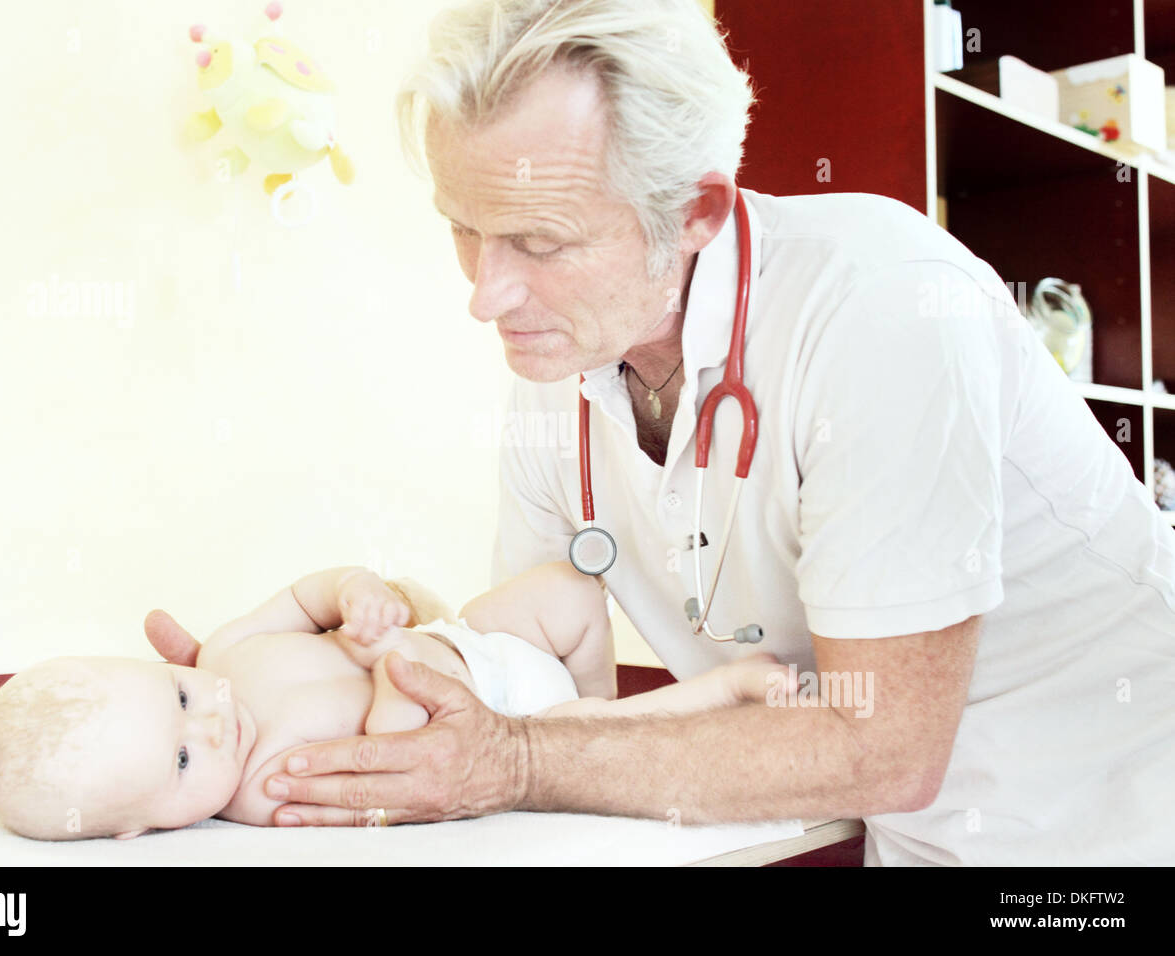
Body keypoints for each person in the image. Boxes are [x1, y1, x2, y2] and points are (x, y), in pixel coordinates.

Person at [151, 0, 1175, 865]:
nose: (486, 292)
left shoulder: (885, 308)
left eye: (540, 241)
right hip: (906, 828)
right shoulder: (561, 366)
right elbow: (529, 667)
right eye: (463, 226)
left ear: (694, 211)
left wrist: (512, 759)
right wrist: (335, 671)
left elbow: (883, 743)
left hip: (1105, 813)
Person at [0, 562, 788, 839]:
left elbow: (307, 594)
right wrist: (393, 668)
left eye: (181, 694)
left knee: (572, 592)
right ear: (141, 827)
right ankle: (728, 687)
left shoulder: (226, 649)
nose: (214, 719)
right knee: (598, 732)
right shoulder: (267, 793)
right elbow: (391, 770)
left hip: (473, 643)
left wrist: (358, 593)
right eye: (184, 757)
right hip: (507, 723)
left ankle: (600, 692)